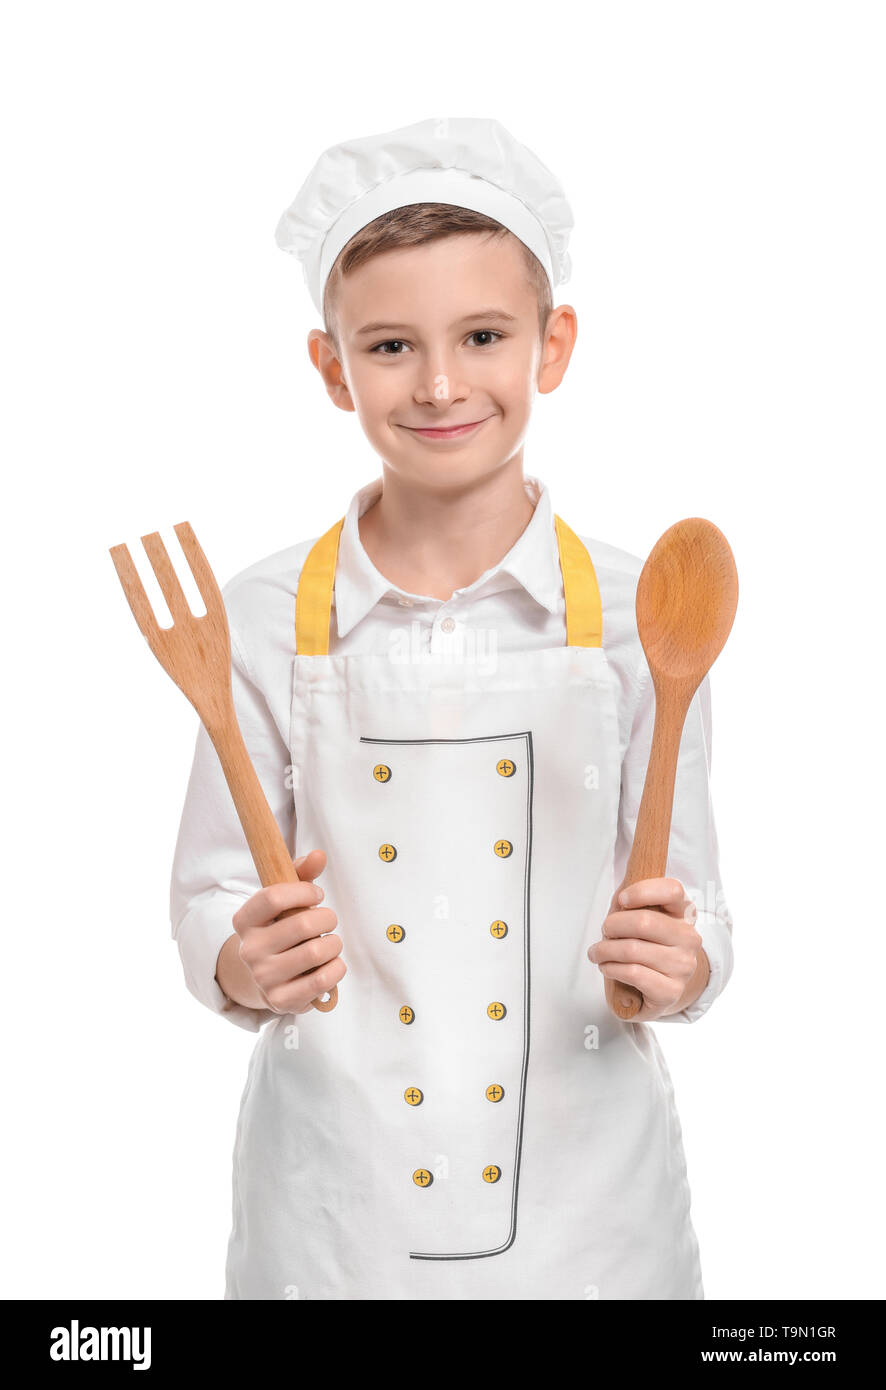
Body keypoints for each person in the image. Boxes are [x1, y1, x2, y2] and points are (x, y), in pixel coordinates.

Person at [170, 116, 734, 1301]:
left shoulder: (648, 612)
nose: (437, 384)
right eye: (387, 346)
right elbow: (214, 890)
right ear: (331, 368)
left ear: (552, 343)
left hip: (594, 1226)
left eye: (482, 335)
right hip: (335, 1215)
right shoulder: (265, 616)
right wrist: (240, 959)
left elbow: (692, 896)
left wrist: (685, 962)